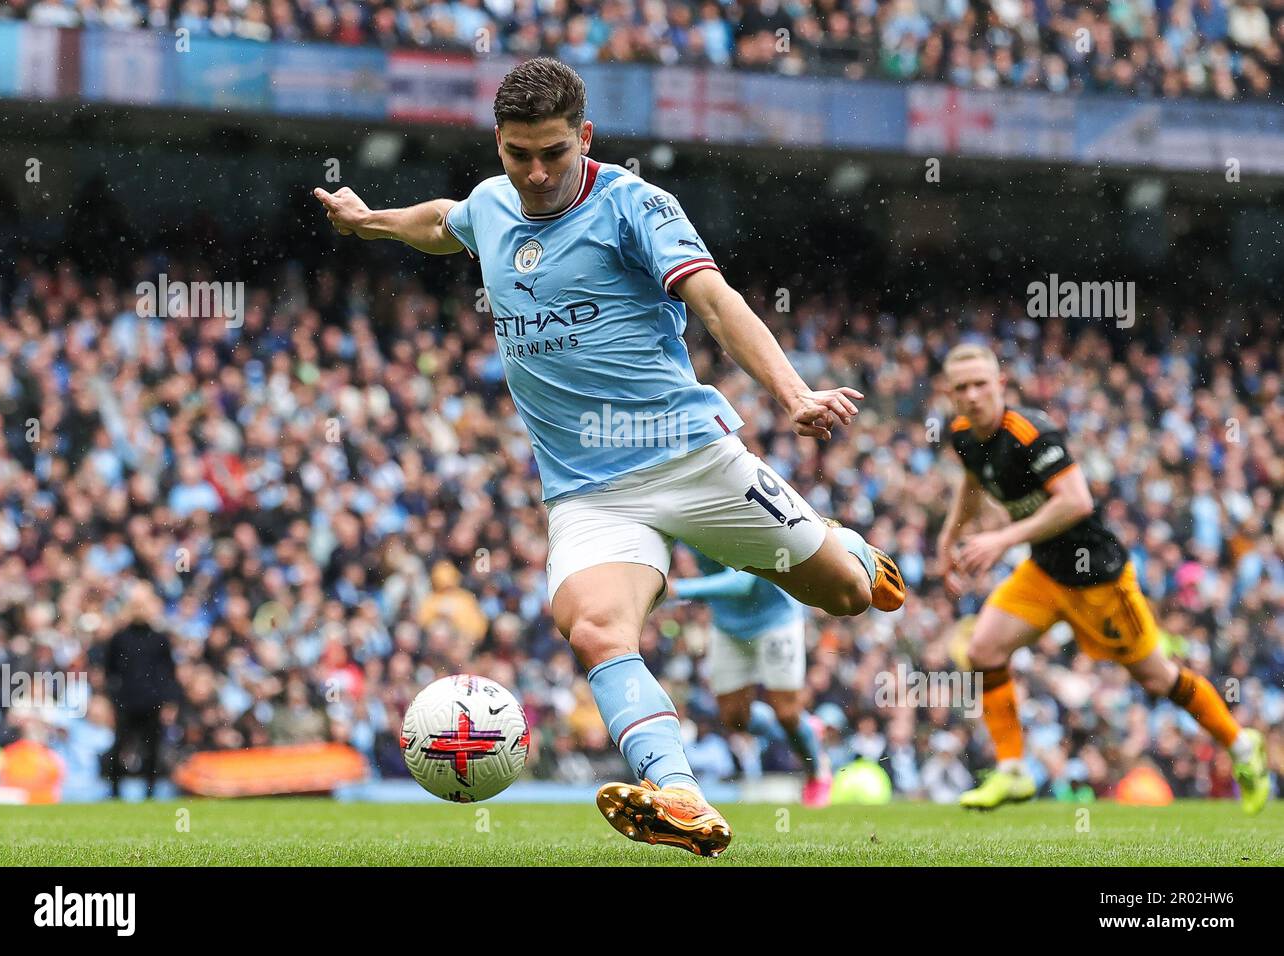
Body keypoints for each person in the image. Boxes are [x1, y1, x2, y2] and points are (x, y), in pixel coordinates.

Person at [314, 56, 905, 856]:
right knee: (595, 628)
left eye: (553, 152)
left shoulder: (635, 205)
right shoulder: (494, 204)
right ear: (498, 143)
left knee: (844, 595)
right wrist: (371, 221)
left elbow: (716, 303)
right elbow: (445, 222)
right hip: (588, 494)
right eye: (517, 153)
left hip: (693, 461)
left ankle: (843, 543)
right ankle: (682, 796)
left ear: (584, 137)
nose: (534, 172)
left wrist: (792, 394)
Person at [936, 343, 1268, 813]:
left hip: (1100, 579)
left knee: (1158, 679)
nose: (971, 395)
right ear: (950, 394)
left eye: (980, 384)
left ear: (1000, 386)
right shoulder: (963, 435)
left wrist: (1003, 539)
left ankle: (1240, 746)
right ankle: (1012, 772)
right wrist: (950, 536)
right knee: (984, 649)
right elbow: (972, 482)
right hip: (1045, 573)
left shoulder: (1032, 432)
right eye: (961, 388)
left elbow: (1076, 501)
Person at [668, 545, 832, 806]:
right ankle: (806, 729)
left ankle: (817, 771)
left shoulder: (736, 515)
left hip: (774, 619)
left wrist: (679, 589)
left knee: (786, 713)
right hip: (727, 626)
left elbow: (742, 583)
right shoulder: (682, 519)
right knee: (735, 718)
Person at [103, 582, 177, 799]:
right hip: (126, 702)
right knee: (119, 747)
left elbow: (167, 674)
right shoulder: (119, 639)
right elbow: (110, 672)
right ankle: (115, 792)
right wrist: (112, 700)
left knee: (152, 749)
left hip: (152, 702)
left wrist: (169, 702)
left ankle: (150, 792)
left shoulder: (159, 640)